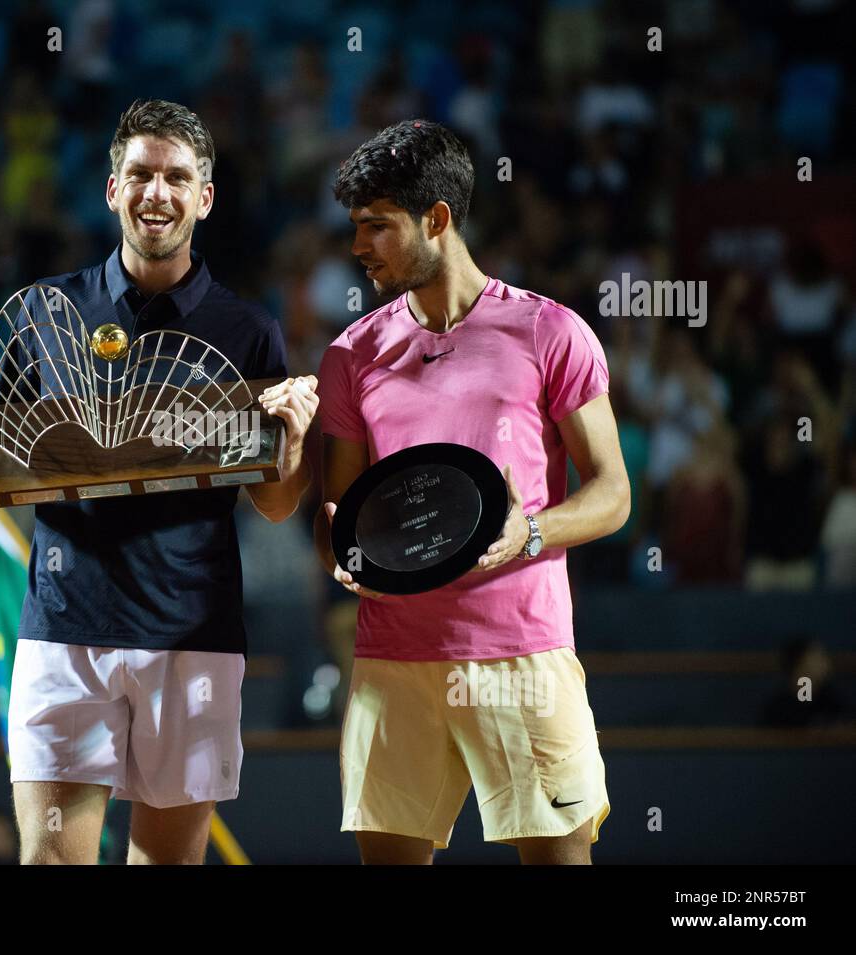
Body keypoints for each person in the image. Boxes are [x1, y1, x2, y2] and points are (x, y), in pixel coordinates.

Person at [0, 99, 317, 864]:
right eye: (139, 174)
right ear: (111, 188)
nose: (155, 192)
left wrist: (292, 445)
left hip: (192, 637)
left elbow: (271, 505)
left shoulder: (249, 330)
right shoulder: (43, 313)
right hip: (65, 627)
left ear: (204, 196)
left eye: (176, 177)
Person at [314, 120, 630, 864]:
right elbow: (342, 509)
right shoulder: (350, 354)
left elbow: (613, 492)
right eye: (355, 227)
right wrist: (341, 548)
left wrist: (531, 532)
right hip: (392, 660)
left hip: (522, 652)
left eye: (376, 227)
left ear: (438, 219)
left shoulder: (551, 331)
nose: (359, 246)